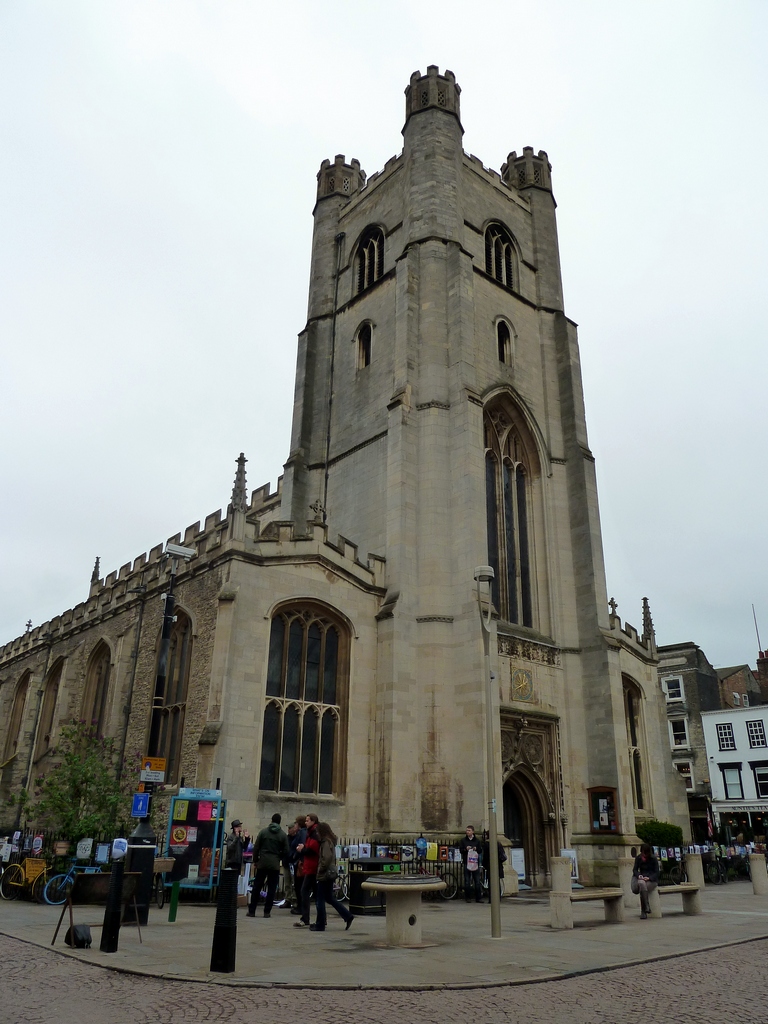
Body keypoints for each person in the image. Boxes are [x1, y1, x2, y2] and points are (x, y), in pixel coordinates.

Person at [311, 822, 354, 932]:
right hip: (329, 874)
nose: (316, 833)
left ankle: (320, 924)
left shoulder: (325, 842)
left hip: (325, 874)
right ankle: (347, 916)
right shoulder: (329, 841)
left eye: (317, 831)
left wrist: (321, 869)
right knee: (329, 898)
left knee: (319, 899)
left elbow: (327, 858)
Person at [247, 812, 290, 918]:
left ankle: (252, 910)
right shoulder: (282, 835)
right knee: (271, 889)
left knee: (257, 887)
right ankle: (267, 912)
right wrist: (278, 857)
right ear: (280, 822)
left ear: (271, 820)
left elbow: (256, 847)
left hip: (263, 863)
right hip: (274, 864)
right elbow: (286, 850)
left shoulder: (263, 832)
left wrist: (256, 860)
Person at [294, 813, 320, 927]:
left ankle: (305, 918)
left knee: (305, 891)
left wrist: (302, 850)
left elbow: (313, 850)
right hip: (310, 867)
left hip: (312, 868)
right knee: (319, 895)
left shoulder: (314, 833)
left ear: (313, 821)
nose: (305, 822)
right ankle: (321, 919)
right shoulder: (311, 832)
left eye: (308, 820)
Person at [632, 843, 659, 919]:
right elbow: (634, 870)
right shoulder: (638, 858)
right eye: (642, 853)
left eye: (645, 853)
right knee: (641, 883)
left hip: (652, 881)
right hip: (642, 879)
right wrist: (639, 875)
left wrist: (649, 878)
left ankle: (643, 911)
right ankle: (646, 907)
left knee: (641, 885)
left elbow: (657, 872)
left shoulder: (653, 859)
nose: (643, 855)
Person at [289, 814, 308, 915]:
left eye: (296, 823)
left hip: (300, 862)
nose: (295, 825)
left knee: (299, 886)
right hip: (302, 861)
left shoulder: (301, 832)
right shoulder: (304, 832)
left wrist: (294, 856)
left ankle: (301, 907)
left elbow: (299, 847)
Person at [459, 825, 483, 903]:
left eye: (469, 830)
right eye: (467, 830)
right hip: (467, 862)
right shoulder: (463, 841)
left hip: (475, 863)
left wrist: (476, 848)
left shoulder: (477, 841)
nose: (467, 832)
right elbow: (461, 850)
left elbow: (480, 851)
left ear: (473, 831)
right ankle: (468, 897)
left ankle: (478, 898)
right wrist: (466, 849)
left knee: (477, 881)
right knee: (467, 881)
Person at [481, 830, 507, 902]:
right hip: (498, 865)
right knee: (497, 882)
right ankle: (498, 898)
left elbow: (485, 856)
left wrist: (483, 865)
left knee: (491, 882)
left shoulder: (487, 844)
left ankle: (492, 899)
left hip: (490, 865)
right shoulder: (498, 843)